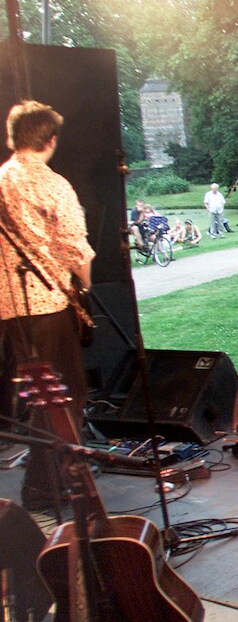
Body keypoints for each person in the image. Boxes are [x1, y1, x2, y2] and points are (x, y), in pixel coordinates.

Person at [0, 101, 94, 511]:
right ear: (51, 140)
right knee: (63, 395)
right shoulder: (53, 185)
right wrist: (84, 290)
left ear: (13, 137)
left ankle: (46, 479)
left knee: (31, 397)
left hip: (7, 311)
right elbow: (77, 250)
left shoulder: (1, 179)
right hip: (47, 306)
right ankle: (46, 485)